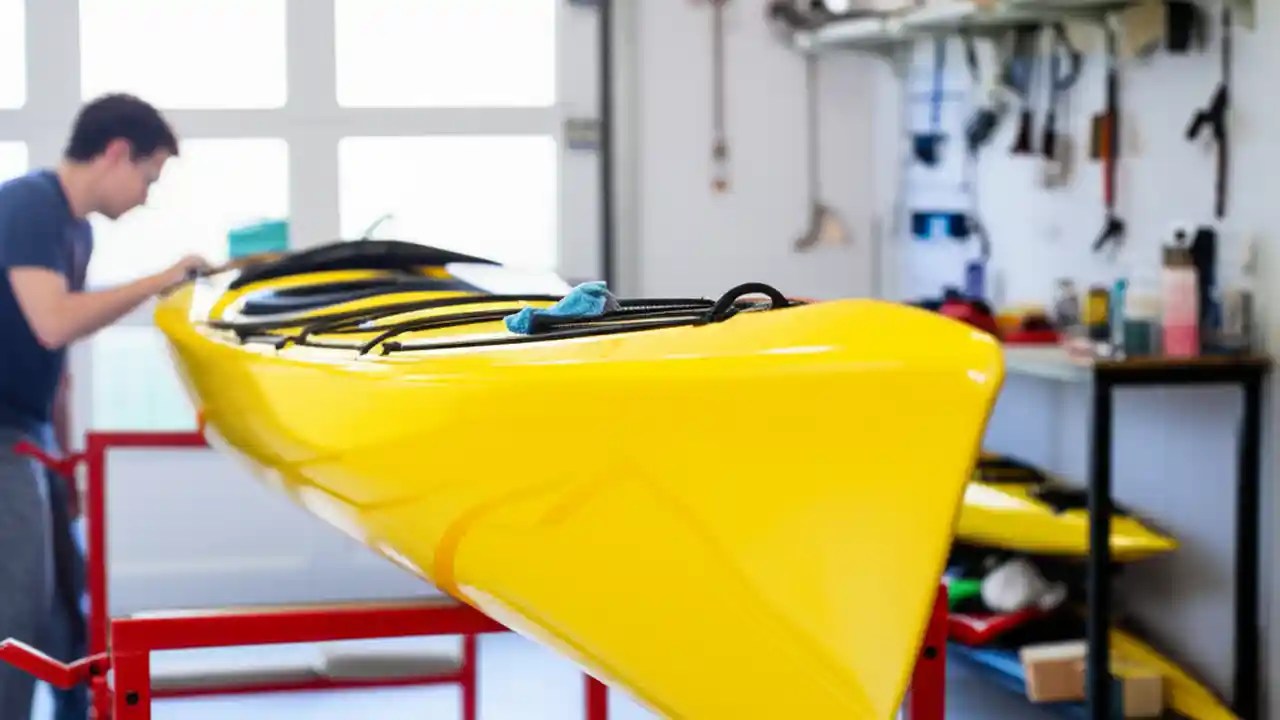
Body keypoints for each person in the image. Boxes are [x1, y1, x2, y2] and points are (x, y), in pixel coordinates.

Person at [0, 93, 209, 720]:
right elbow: (54, 322)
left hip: (32, 434)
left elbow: (54, 368)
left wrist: (65, 462)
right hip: (0, 436)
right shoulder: (27, 204)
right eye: (149, 176)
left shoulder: (77, 231)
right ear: (117, 154)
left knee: (71, 616)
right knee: (19, 606)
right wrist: (162, 279)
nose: (147, 195)